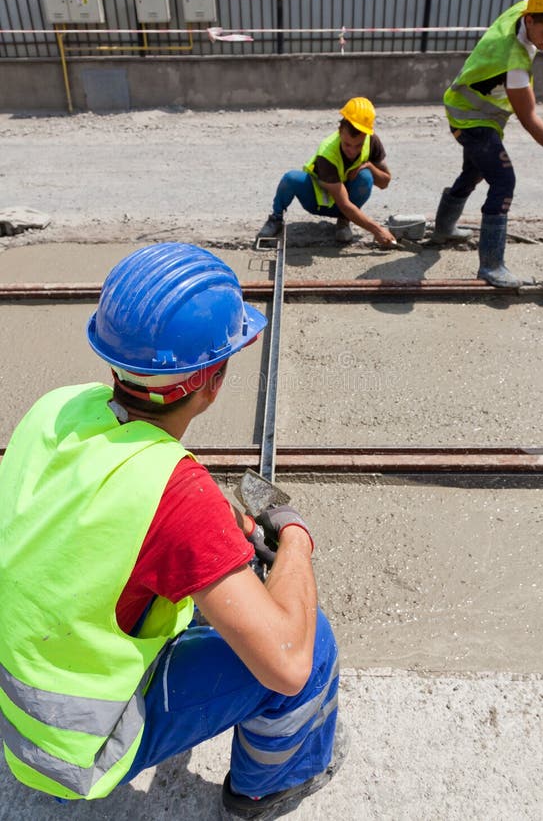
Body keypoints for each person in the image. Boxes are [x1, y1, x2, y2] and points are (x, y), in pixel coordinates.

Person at [0, 243, 345, 818]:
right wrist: (298, 543)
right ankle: (270, 786)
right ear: (212, 379)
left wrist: (212, 521)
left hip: (17, 696)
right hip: (73, 748)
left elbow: (101, 503)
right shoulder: (175, 497)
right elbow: (286, 662)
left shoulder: (58, 408)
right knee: (311, 650)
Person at [431, 0, 543, 287]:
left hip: (480, 113)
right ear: (530, 20)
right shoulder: (514, 60)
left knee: (474, 171)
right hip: (470, 117)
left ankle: (443, 229)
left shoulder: (528, 4)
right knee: (503, 179)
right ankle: (491, 266)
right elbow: (530, 117)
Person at [257, 97, 397, 247]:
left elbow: (384, 182)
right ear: (340, 131)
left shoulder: (372, 141)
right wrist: (377, 230)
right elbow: (344, 204)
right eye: (347, 144)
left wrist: (370, 166)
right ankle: (276, 219)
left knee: (366, 177)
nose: (352, 151)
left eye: (358, 146)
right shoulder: (327, 154)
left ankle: (343, 222)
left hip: (346, 205)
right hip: (318, 201)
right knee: (290, 178)